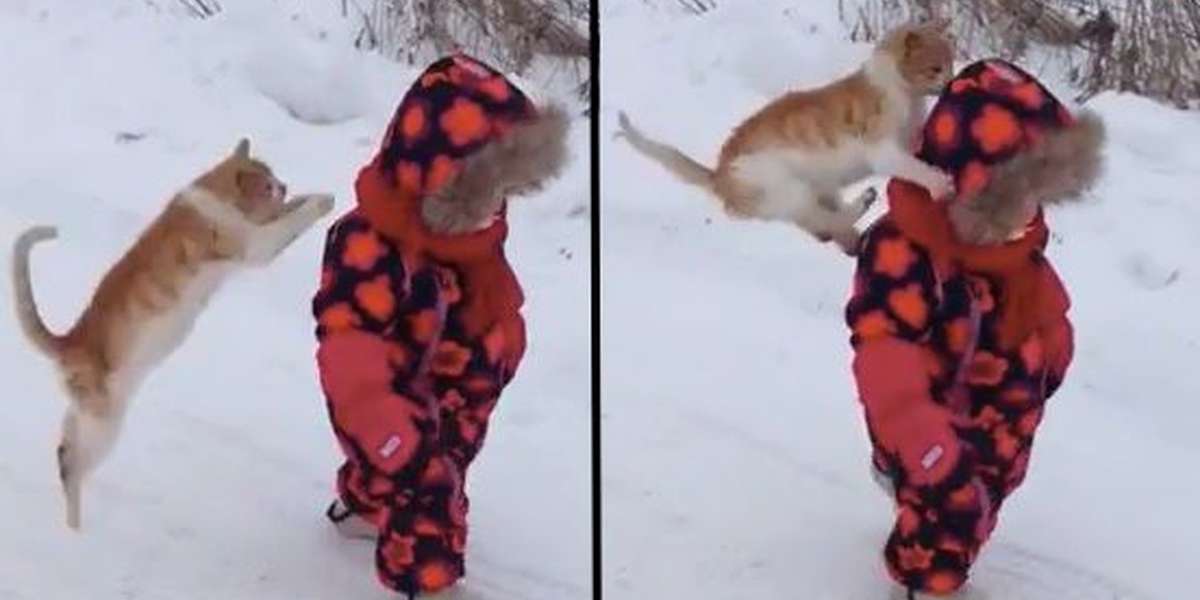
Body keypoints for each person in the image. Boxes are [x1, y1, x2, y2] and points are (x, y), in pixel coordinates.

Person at [844, 59, 1105, 598]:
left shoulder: (1014, 245)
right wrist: (917, 435)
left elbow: (1043, 305)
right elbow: (883, 349)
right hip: (930, 422)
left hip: (1005, 417)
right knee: (945, 522)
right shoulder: (906, 249)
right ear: (964, 188)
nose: (1030, 215)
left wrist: (1055, 351)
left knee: (985, 499)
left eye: (1038, 197)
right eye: (1016, 199)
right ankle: (923, 581)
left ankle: (945, 535)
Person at [311, 53, 568, 597]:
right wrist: (389, 435)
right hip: (392, 405)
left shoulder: (466, 237)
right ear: (434, 183)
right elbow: (350, 354)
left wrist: (501, 350)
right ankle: (429, 582)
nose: (497, 208)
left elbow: (490, 300)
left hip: (458, 390)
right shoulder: (368, 244)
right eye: (483, 192)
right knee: (428, 488)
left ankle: (365, 502)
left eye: (503, 192)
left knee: (432, 464)